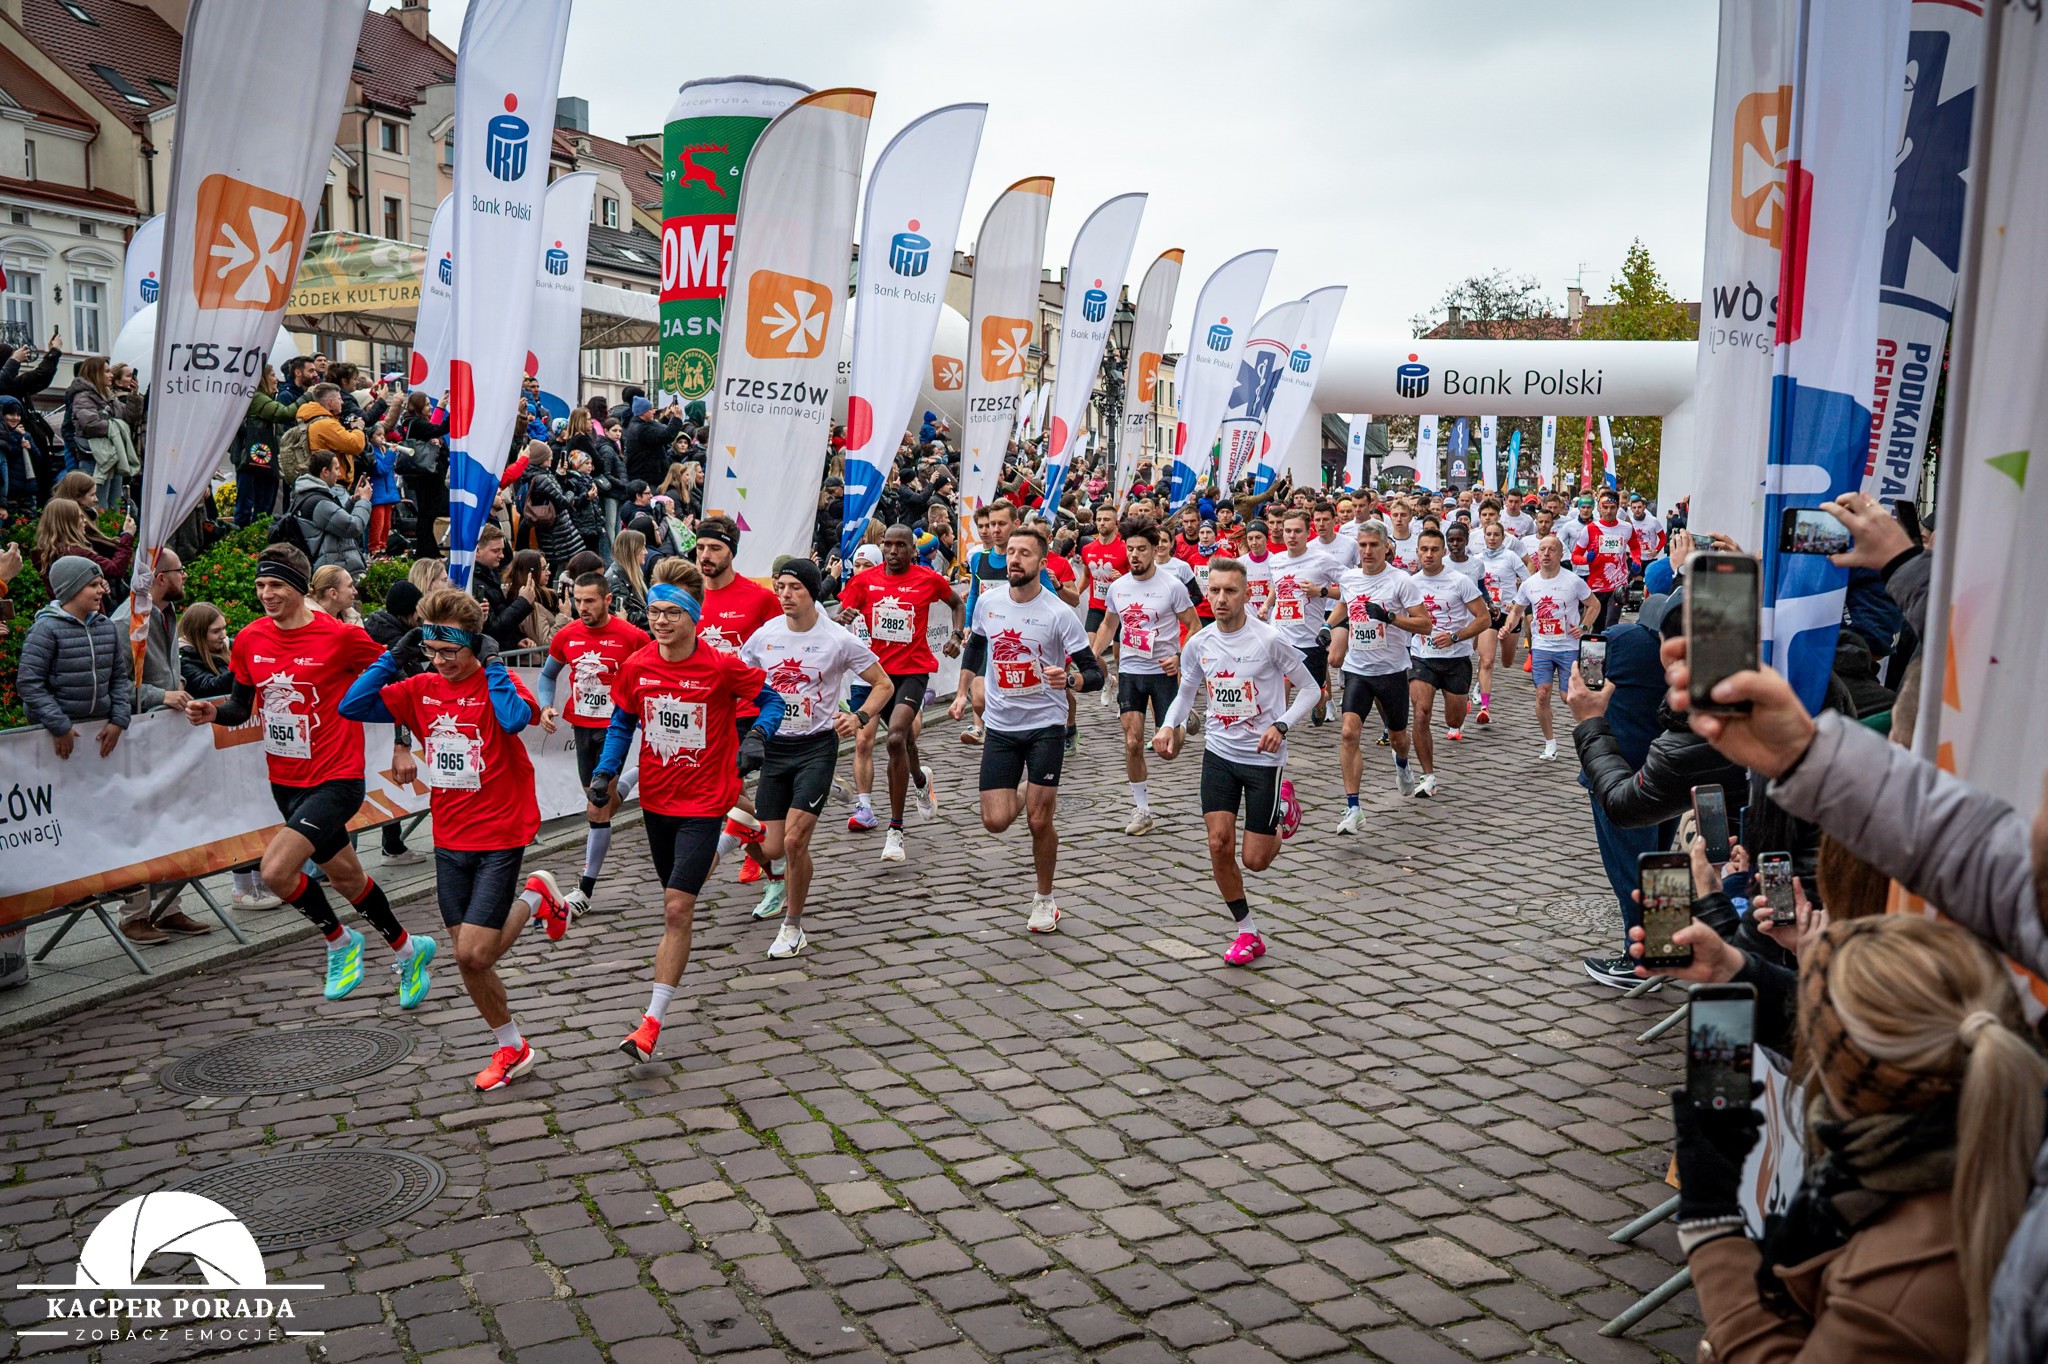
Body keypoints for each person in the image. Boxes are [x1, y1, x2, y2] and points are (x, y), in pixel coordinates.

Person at [1672, 916, 2038, 1364]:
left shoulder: (1892, 1292)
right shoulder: (2007, 1091)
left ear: (1839, 1076)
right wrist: (1736, 968)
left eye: (1813, 1031)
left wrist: (1711, 1224)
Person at [341, 588, 569, 1092]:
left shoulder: (498, 680)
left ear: (475, 645)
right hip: (449, 834)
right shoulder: (419, 687)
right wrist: (394, 656)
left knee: (472, 955)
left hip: (500, 829)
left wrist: (492, 664)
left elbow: (515, 720)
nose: (440, 661)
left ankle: (534, 897)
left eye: (450, 650)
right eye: (431, 650)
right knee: (467, 955)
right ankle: (512, 1046)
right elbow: (352, 705)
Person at [184, 544, 428, 1006]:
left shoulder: (341, 637)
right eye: (260, 585)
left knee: (276, 872)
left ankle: (340, 941)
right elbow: (241, 706)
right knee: (348, 879)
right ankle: (409, 950)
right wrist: (211, 713)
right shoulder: (251, 639)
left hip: (337, 778)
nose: (266, 594)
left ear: (298, 587)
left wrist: (401, 746)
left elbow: (398, 686)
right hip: (286, 781)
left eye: (276, 585)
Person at [588, 565, 786, 1062]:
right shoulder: (637, 666)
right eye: (655, 612)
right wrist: (606, 771)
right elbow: (622, 722)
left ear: (694, 617)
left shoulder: (720, 666)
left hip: (704, 798)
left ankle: (650, 1023)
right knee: (680, 888)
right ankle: (735, 836)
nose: (661, 621)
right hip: (657, 800)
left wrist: (758, 736)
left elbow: (771, 700)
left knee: (677, 908)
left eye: (672, 613)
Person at [1152, 558, 1317, 963]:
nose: (1221, 598)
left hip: (1264, 759)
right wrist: (1168, 726)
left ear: (1246, 594)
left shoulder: (1269, 639)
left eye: (1230, 591)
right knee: (1218, 843)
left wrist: (1281, 725)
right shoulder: (1200, 643)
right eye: (1215, 590)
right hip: (1220, 754)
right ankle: (1247, 931)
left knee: (1255, 860)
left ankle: (1284, 810)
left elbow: (1312, 689)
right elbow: (1186, 693)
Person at [948, 523, 1105, 933]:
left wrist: (1070, 680)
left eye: (1025, 553)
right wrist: (963, 692)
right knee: (995, 821)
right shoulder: (990, 602)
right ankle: (1027, 788)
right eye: (1012, 552)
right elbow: (977, 647)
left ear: (1042, 561)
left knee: (1038, 821)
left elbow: (1094, 674)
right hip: (1001, 726)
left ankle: (1044, 899)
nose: (1014, 560)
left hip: (1045, 726)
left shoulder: (1058, 613)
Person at [737, 560, 891, 956]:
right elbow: (737, 679)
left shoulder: (837, 639)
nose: (785, 595)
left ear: (812, 592)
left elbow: (883, 684)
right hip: (776, 749)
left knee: (793, 841)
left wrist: (858, 717)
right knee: (773, 848)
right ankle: (827, 792)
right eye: (781, 587)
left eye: (795, 588)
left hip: (816, 747)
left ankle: (793, 926)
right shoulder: (765, 636)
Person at [835, 524, 962, 856]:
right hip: (879, 675)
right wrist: (843, 616)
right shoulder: (864, 581)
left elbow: (957, 603)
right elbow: (839, 615)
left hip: (914, 671)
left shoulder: (927, 579)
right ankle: (920, 780)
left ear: (912, 550)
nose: (893, 551)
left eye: (900, 545)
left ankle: (895, 830)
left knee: (894, 738)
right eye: (888, 545)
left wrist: (957, 634)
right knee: (905, 743)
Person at [537, 570, 650, 917]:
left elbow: (653, 674)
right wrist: (545, 705)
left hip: (616, 730)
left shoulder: (632, 637)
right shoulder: (567, 635)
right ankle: (635, 776)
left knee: (596, 808)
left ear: (607, 600)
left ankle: (584, 890)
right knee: (600, 803)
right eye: (578, 600)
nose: (582, 607)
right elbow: (547, 674)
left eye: (589, 601)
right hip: (582, 728)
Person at [1091, 517, 1198, 835]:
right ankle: (1142, 810)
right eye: (1130, 549)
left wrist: (1179, 657)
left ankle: (1183, 719)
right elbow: (1109, 624)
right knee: (1133, 741)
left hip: (1163, 672)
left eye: (1141, 549)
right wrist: (1092, 654)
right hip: (1130, 671)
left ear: (1154, 549)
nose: (1135, 555)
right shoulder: (1118, 587)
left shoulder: (1172, 586)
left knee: (1168, 751)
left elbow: (1195, 626)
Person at [691, 515, 782, 883]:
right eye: (700, 548)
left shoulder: (759, 598)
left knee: (727, 788)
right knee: (730, 793)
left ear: (731, 552)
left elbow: (782, 645)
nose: (705, 555)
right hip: (704, 711)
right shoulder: (688, 596)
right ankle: (765, 850)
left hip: (748, 708)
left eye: (714, 548)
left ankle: (761, 844)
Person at [1328, 522, 1433, 814]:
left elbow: (1425, 624)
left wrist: (1390, 618)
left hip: (1392, 671)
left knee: (1399, 738)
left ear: (1386, 547)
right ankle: (1353, 807)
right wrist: (1328, 625)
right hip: (1358, 669)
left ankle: (1402, 762)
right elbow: (1344, 605)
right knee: (1349, 733)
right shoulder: (1349, 578)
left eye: (1374, 545)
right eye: (1362, 545)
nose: (1367, 551)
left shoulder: (1401, 580)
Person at [1404, 526, 1488, 795]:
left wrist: (1455, 637)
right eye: (1424, 549)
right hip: (1422, 657)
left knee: (1454, 720)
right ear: (1417, 552)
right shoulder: (1409, 583)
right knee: (1421, 713)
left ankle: (1460, 709)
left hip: (1456, 658)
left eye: (1434, 550)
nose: (1428, 554)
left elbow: (1484, 619)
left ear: (1443, 552)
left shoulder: (1459, 581)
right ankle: (1428, 776)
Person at [1503, 534, 1597, 759]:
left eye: (1551, 550)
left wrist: (1584, 626)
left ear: (1560, 554)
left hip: (1568, 646)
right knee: (1542, 693)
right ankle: (1550, 743)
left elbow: (1594, 604)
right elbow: (1517, 610)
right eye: (1542, 549)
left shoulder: (1573, 581)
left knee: (1568, 697)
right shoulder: (1530, 583)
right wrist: (1508, 626)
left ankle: (1592, 731)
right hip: (1542, 646)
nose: (1546, 553)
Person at [1261, 509, 1343, 725]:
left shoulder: (1322, 560)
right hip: (1279, 634)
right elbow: (1276, 587)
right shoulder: (1276, 561)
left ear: (1308, 533)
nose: (1291, 536)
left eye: (1297, 531)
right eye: (1287, 531)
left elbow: (1352, 588)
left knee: (1315, 694)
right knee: (1278, 686)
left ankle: (1323, 700)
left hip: (1310, 638)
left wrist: (1321, 591)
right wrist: (1267, 605)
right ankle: (1278, 726)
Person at [1475, 519, 1529, 719]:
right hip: (1488, 614)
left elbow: (1528, 580)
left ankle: (1483, 677)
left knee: (1506, 662)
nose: (1492, 538)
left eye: (1496, 534)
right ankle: (1485, 707)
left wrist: (1515, 602)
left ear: (1503, 537)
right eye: (1488, 534)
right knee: (1487, 660)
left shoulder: (1511, 556)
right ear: (1484, 536)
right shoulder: (1477, 559)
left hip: (1509, 615)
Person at [291, 449, 375, 575]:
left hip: (327, 567)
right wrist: (364, 501)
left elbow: (333, 521)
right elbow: (353, 527)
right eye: (336, 469)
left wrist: (353, 501)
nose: (339, 473)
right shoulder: (319, 502)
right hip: (333, 572)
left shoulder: (306, 494)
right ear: (325, 471)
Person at [294, 382, 368, 489]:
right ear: (330, 402)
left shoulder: (314, 418)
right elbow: (356, 445)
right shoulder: (326, 424)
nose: (342, 402)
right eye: (339, 399)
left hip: (324, 481)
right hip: (332, 484)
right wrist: (357, 428)